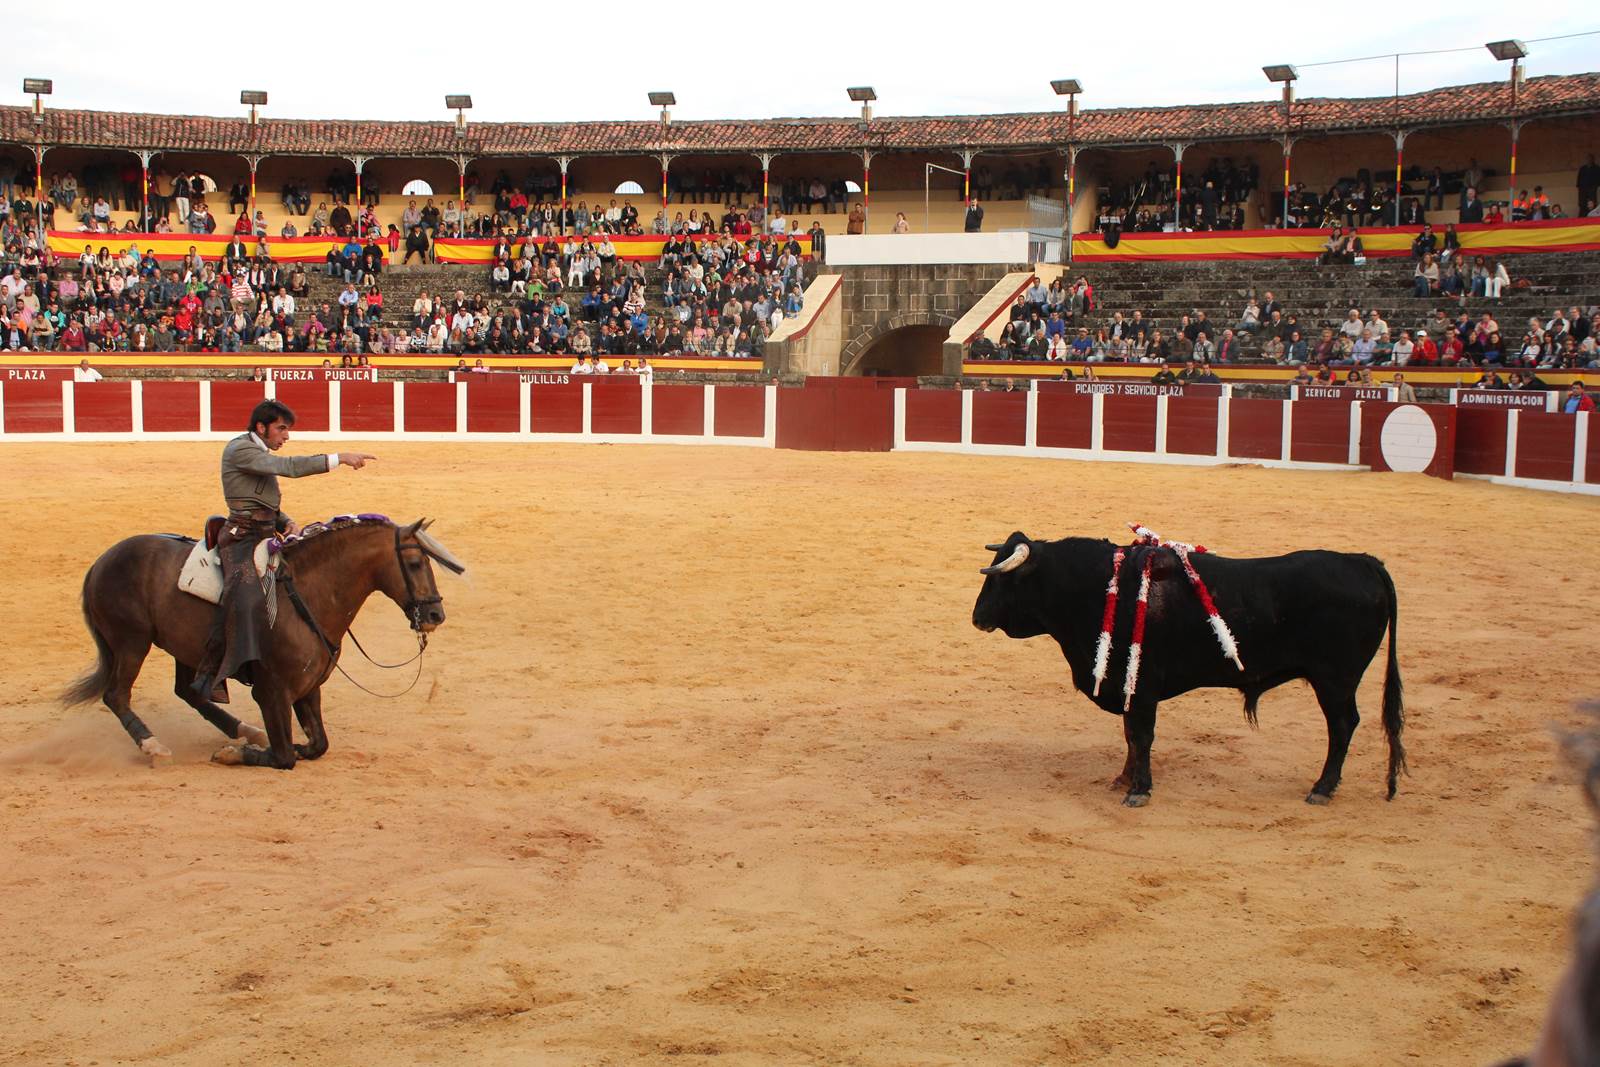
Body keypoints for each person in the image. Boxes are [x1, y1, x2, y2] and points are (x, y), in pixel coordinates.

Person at [191, 400, 376, 702]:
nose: (286, 436)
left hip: (265, 533)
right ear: (261, 427)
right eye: (281, 428)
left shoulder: (258, 452)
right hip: (241, 538)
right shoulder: (241, 450)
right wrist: (339, 457)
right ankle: (211, 673)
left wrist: (285, 520)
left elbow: (262, 499)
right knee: (245, 595)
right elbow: (288, 467)